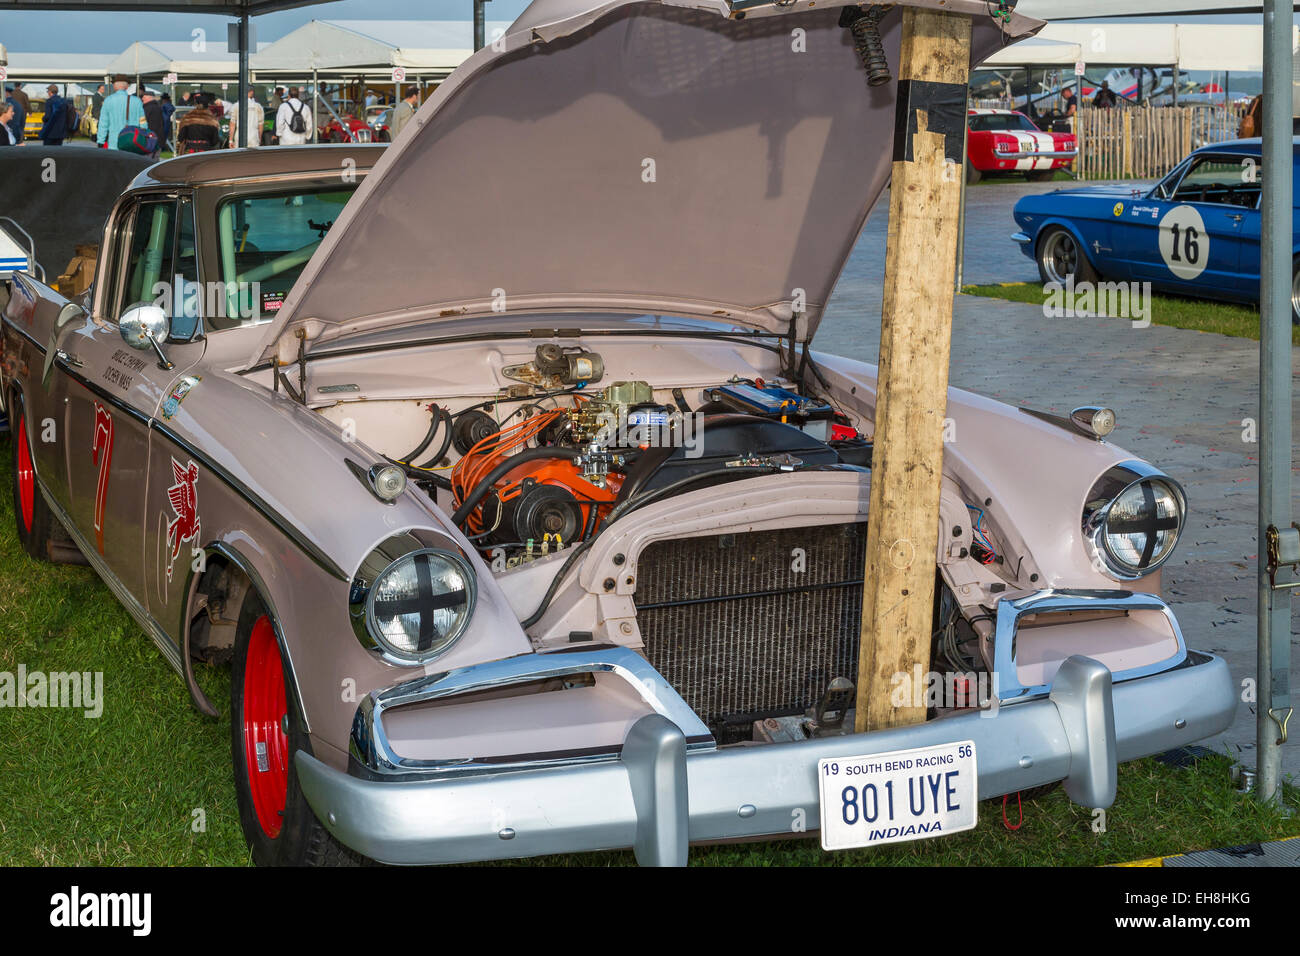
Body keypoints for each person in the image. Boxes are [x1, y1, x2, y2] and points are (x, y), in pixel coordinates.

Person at [96, 75, 146, 149]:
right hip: (133, 142)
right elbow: (143, 122)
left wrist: (101, 141)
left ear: (114, 86)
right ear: (127, 86)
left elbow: (103, 123)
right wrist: (143, 137)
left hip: (114, 143)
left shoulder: (108, 100)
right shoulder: (137, 101)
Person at [141, 90, 165, 158]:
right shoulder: (157, 107)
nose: (142, 99)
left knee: (148, 160)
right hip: (157, 138)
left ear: (149, 97)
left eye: (144, 97)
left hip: (150, 139)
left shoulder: (147, 108)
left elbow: (146, 124)